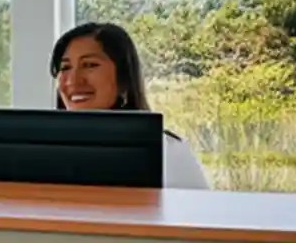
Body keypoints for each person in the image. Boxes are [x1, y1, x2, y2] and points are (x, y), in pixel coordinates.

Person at [50, 22, 210, 189]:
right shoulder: (47, 151)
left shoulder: (168, 152)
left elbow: (201, 214)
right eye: (65, 67)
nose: (73, 80)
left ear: (124, 79)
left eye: (90, 65)